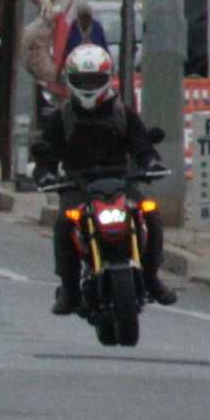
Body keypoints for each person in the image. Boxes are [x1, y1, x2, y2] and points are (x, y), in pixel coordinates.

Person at [29, 42, 176, 313]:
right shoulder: (63, 117)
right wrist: (45, 174)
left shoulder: (122, 113)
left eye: (94, 79)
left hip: (121, 181)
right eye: (81, 79)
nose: (88, 84)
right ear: (70, 80)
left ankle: (152, 278)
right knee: (64, 223)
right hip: (78, 185)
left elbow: (142, 145)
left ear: (108, 77)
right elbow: (46, 154)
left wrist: (151, 163)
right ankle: (71, 290)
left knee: (151, 214)